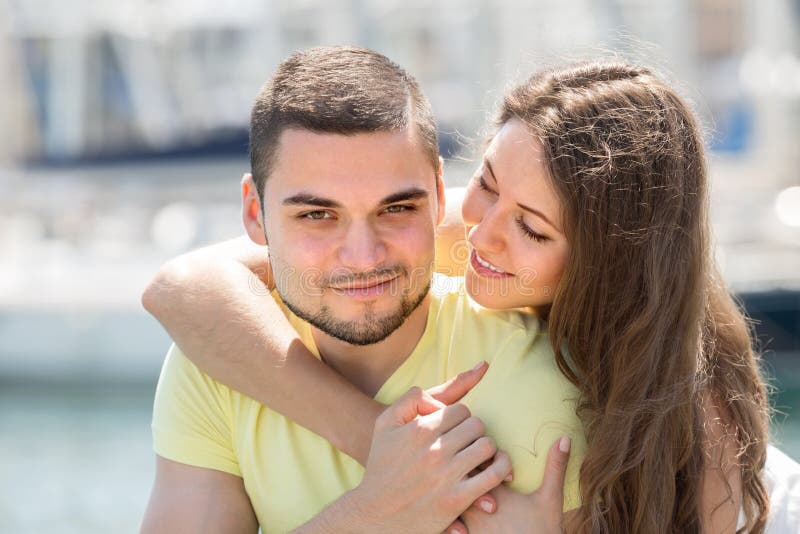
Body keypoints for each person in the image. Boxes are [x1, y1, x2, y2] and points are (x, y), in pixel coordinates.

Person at [144, 57, 798, 532]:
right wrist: (386, 454)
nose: (478, 231)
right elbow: (182, 287)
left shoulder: (693, 422)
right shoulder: (453, 221)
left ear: (603, 261)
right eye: (484, 181)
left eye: (532, 230)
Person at [140, 46, 584, 533]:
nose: (364, 256)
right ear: (254, 213)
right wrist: (371, 515)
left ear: (440, 195)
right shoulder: (217, 363)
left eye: (395, 210)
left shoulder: (539, 379)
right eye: (317, 215)